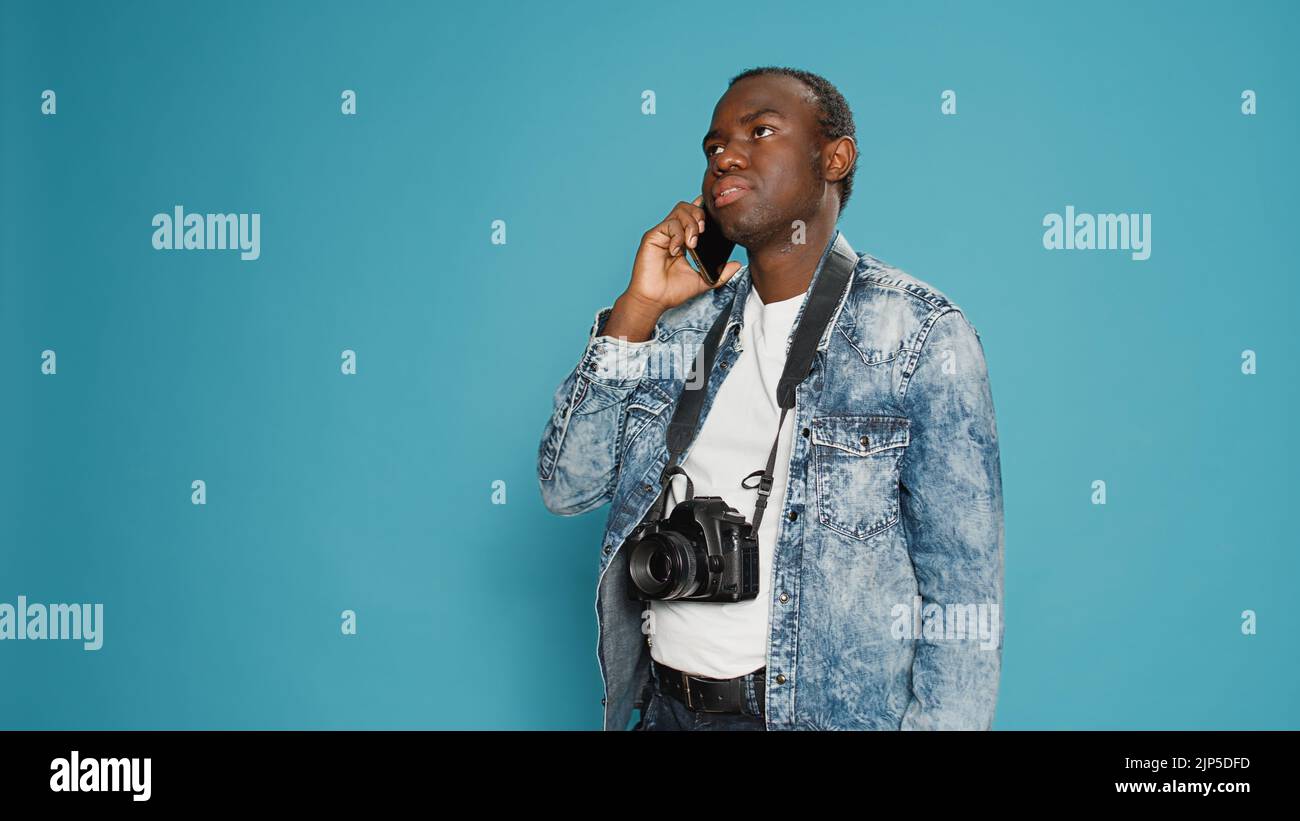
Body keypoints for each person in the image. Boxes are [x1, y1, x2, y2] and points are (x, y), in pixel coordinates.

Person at [537, 66, 1005, 731]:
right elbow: (566, 484)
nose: (725, 155)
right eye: (713, 145)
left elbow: (963, 597)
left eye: (760, 131)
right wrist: (636, 309)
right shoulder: (680, 330)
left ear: (833, 157)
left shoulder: (919, 333)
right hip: (664, 710)